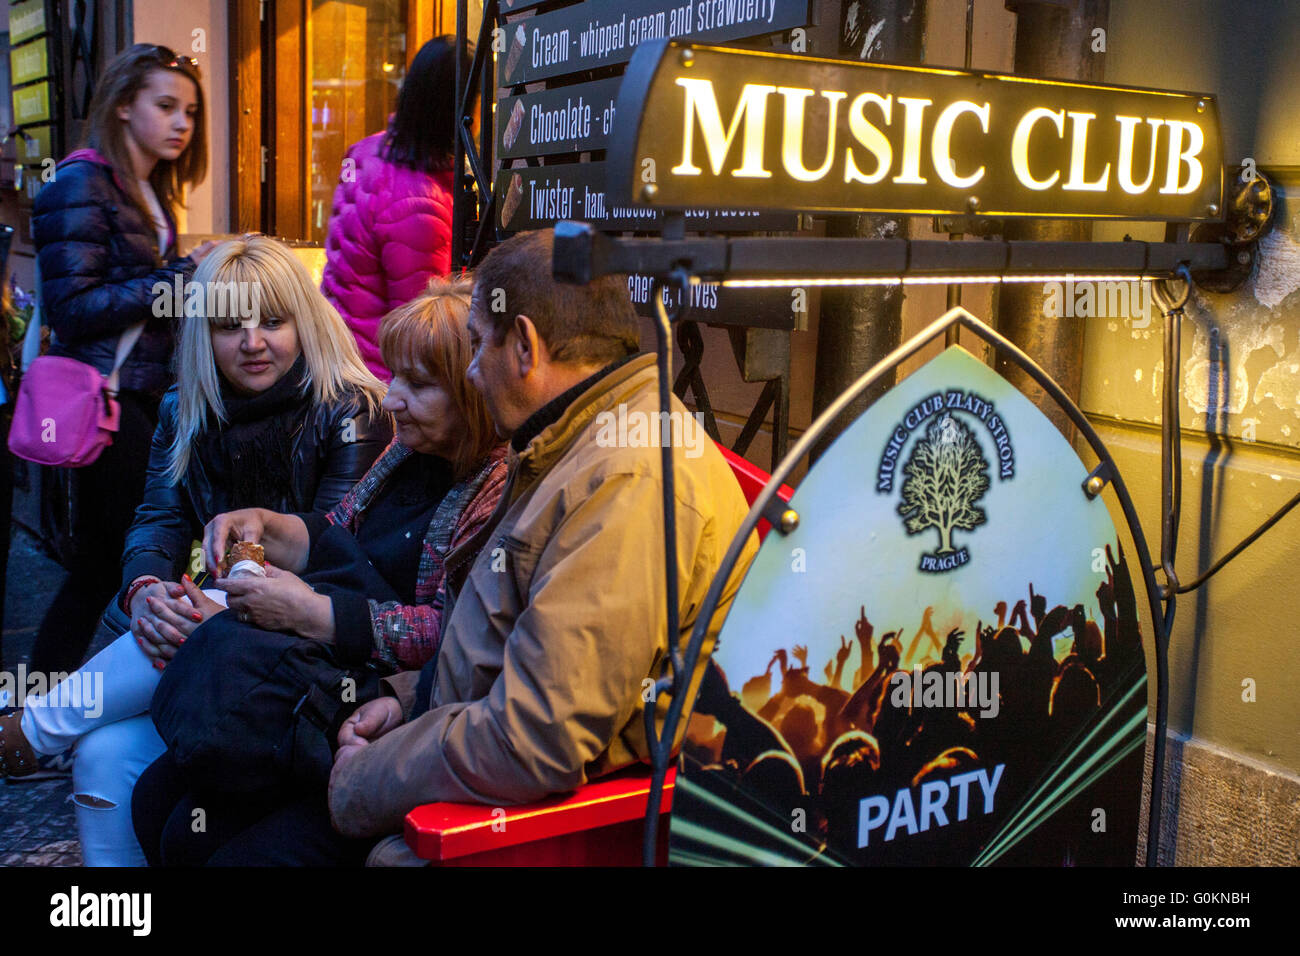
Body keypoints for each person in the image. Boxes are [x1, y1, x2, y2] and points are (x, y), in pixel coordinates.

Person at [138, 228, 760, 865]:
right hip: (449, 741)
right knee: (171, 808)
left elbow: (533, 739)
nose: (469, 371)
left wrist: (367, 776)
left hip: (505, 818)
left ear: (524, 344)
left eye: (475, 347)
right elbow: (485, 649)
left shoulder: (628, 482)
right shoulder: (569, 440)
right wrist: (400, 701)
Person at [0, 235, 390, 865]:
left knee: (213, 597)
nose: (253, 342)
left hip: (315, 658)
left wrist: (221, 615)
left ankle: (32, 729)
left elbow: (337, 547)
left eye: (273, 321)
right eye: (230, 325)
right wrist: (145, 591)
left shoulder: (351, 407)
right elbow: (156, 520)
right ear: (203, 334)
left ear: (307, 320)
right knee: (101, 755)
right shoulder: (185, 408)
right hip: (206, 649)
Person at [131, 276, 509, 865]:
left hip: (365, 711)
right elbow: (337, 531)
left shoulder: (495, 488)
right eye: (395, 376)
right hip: (316, 686)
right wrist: (268, 526)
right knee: (159, 806)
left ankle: (37, 731)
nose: (390, 399)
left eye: (417, 383)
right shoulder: (408, 451)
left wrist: (315, 613)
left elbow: (452, 640)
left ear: (475, 389)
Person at [26, 43, 218, 680]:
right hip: (107, 401)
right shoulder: (81, 181)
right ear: (124, 104)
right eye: (165, 106)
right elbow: (73, 306)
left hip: (136, 395)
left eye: (189, 111)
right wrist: (180, 278)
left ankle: (41, 711)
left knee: (112, 561)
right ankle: (34, 713)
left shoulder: (143, 186)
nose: (182, 123)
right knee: (114, 563)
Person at [320, 36, 472, 383]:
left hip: (337, 355)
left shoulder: (364, 150)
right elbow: (422, 328)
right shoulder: (420, 203)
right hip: (378, 379)